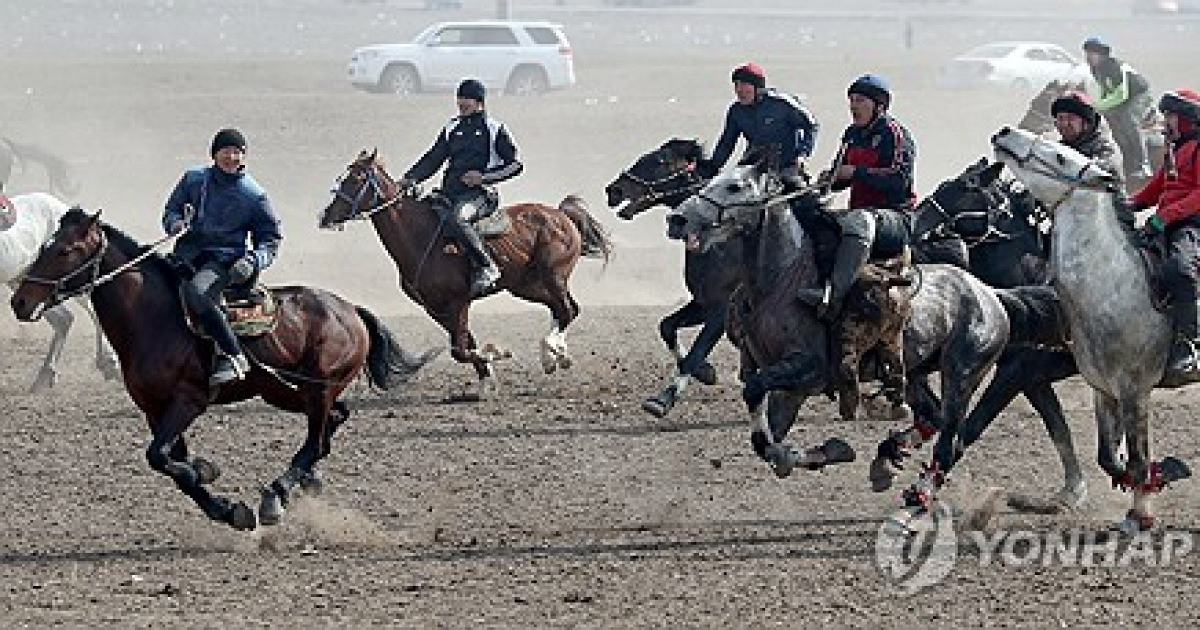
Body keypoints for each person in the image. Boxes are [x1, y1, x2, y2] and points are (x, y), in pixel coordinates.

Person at [162, 128, 282, 386]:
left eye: (237, 152)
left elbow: (270, 240)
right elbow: (171, 210)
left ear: (244, 156)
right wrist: (175, 223)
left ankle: (232, 354)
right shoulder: (193, 180)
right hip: (186, 254)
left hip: (223, 261)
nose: (231, 157)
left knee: (197, 292)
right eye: (226, 151)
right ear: (214, 154)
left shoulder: (253, 195)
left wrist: (253, 261)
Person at [797, 74, 919, 321]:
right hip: (861, 216)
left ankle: (833, 297)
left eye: (860, 100)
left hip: (895, 219)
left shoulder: (895, 134)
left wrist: (855, 172)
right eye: (851, 100)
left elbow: (898, 180)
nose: (853, 106)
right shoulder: (852, 134)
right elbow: (841, 177)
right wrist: (829, 179)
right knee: (812, 215)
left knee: (859, 220)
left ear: (879, 106)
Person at [400, 78, 523, 298]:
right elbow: (433, 159)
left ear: (479, 102)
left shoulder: (494, 128)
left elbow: (515, 165)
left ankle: (486, 267)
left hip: (480, 195)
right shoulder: (452, 127)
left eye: (467, 98)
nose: (461, 103)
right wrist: (409, 179)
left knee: (458, 219)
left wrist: (483, 178)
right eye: (460, 98)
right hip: (449, 193)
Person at [1132, 89, 1200, 382]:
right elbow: (1158, 187)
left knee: (1179, 271)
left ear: (1186, 118)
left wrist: (1165, 216)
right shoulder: (1174, 149)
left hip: (1192, 225)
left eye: (1171, 116)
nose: (1166, 122)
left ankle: (1190, 344)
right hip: (1167, 222)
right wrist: (1128, 204)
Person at [698, 62, 819, 189]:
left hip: (787, 164)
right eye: (736, 85)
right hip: (753, 163)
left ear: (758, 88)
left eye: (744, 85)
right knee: (728, 188)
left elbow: (811, 125)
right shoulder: (736, 111)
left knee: (794, 188)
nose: (739, 90)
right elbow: (727, 143)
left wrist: (802, 154)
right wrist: (712, 167)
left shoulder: (781, 104)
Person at [1083, 36, 1154, 182]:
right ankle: (1126, 161)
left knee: (1128, 120)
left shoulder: (1114, 66)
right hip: (1124, 98)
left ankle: (1143, 164)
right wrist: (1101, 108)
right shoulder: (1095, 69)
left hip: (1139, 95)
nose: (1088, 57)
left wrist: (1099, 105)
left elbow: (1122, 94)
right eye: (1087, 53)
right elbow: (1106, 91)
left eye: (1092, 53)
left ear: (1102, 55)